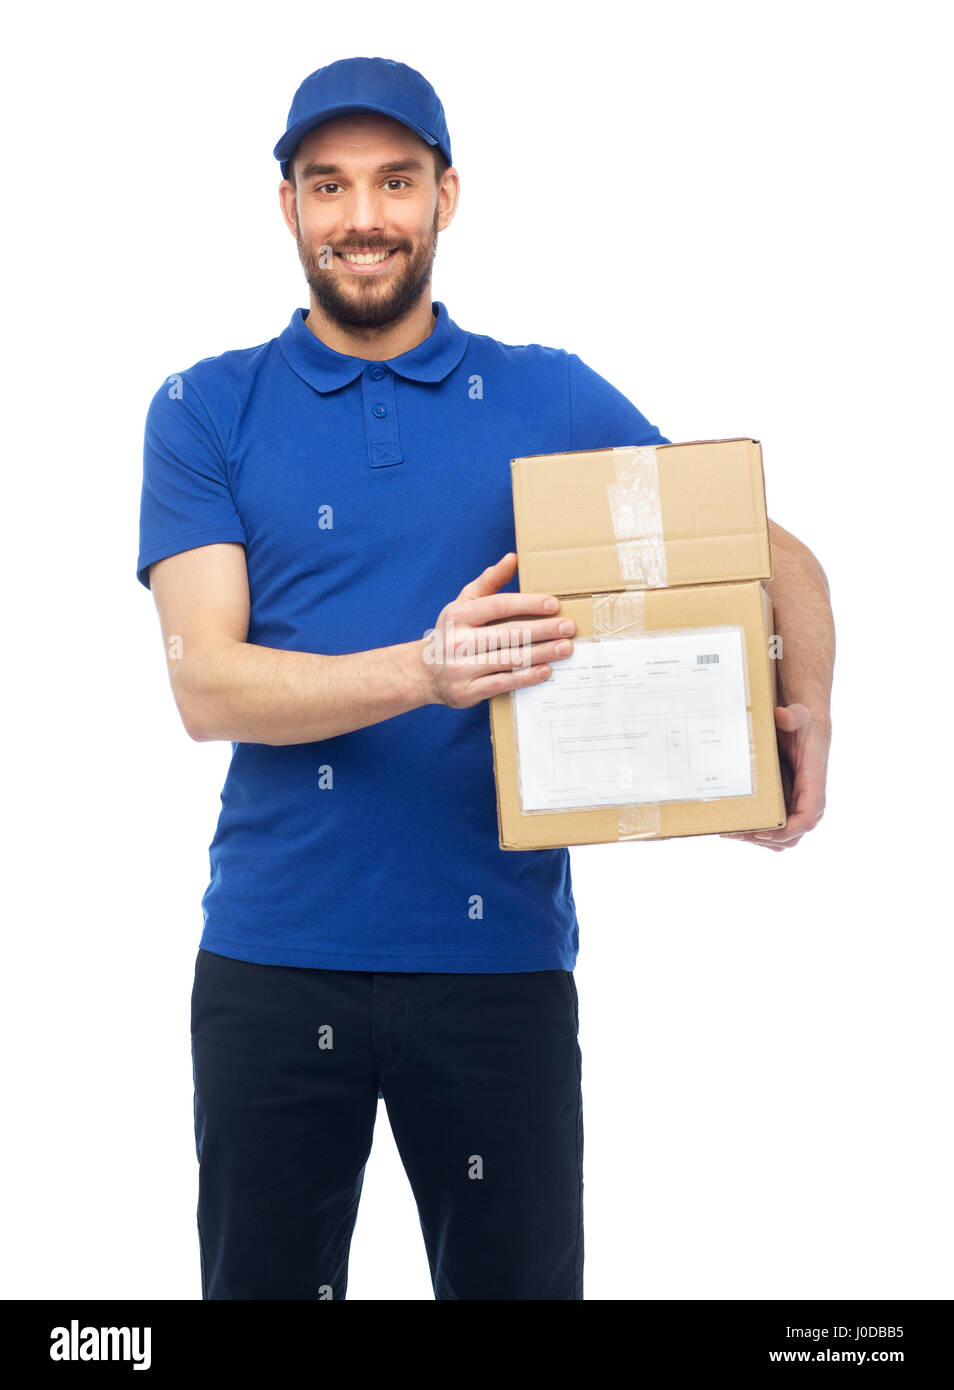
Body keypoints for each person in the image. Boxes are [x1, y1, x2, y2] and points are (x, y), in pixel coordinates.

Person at [137, 56, 834, 1301]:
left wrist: (796, 722)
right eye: (329, 184)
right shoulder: (204, 409)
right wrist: (426, 668)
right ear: (287, 206)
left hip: (498, 967)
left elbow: (771, 556)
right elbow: (210, 687)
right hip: (273, 962)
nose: (363, 216)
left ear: (447, 196)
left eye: (395, 181)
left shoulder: (544, 394)